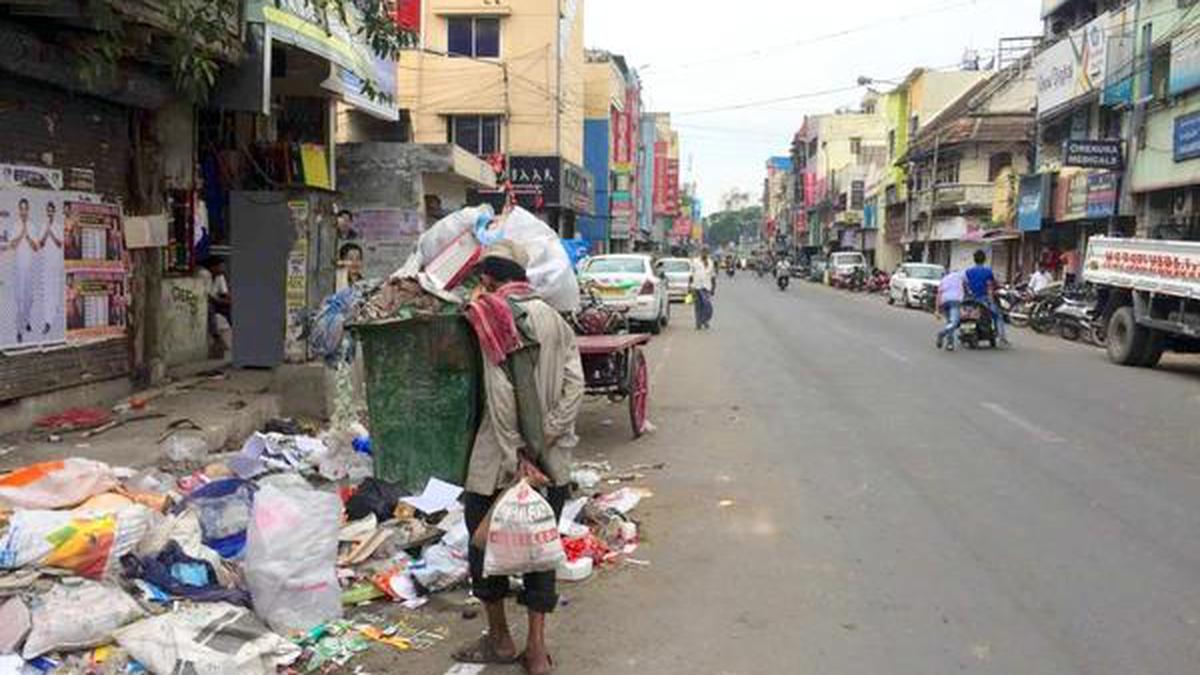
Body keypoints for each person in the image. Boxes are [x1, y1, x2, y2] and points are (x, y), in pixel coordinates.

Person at [455, 241, 584, 675]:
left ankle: (501, 639)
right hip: (553, 464)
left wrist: (518, 459)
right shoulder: (555, 320)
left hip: (499, 464)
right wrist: (547, 438)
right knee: (541, 551)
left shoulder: (491, 315)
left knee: (484, 549)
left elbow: (501, 397)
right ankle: (537, 651)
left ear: (488, 280)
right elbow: (574, 388)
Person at [964, 249, 1009, 348]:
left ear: (974, 259)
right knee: (998, 316)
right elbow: (990, 285)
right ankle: (1002, 338)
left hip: (970, 300)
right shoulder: (987, 271)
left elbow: (965, 285)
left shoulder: (968, 272)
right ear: (984, 259)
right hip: (983, 300)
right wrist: (992, 297)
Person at [935, 269, 966, 352]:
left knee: (949, 322)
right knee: (954, 322)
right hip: (955, 301)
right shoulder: (961, 276)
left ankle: (950, 344)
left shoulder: (944, 279)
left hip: (944, 301)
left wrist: (937, 309)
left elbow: (938, 294)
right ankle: (942, 333)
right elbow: (967, 285)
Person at [691, 252, 714, 330]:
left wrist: (713, 288)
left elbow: (712, 276)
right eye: (703, 250)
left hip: (706, 287)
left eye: (706, 250)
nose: (704, 252)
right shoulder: (695, 261)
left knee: (707, 306)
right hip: (696, 286)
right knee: (698, 306)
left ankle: (704, 320)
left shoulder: (710, 262)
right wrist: (690, 287)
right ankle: (698, 324)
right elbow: (691, 274)